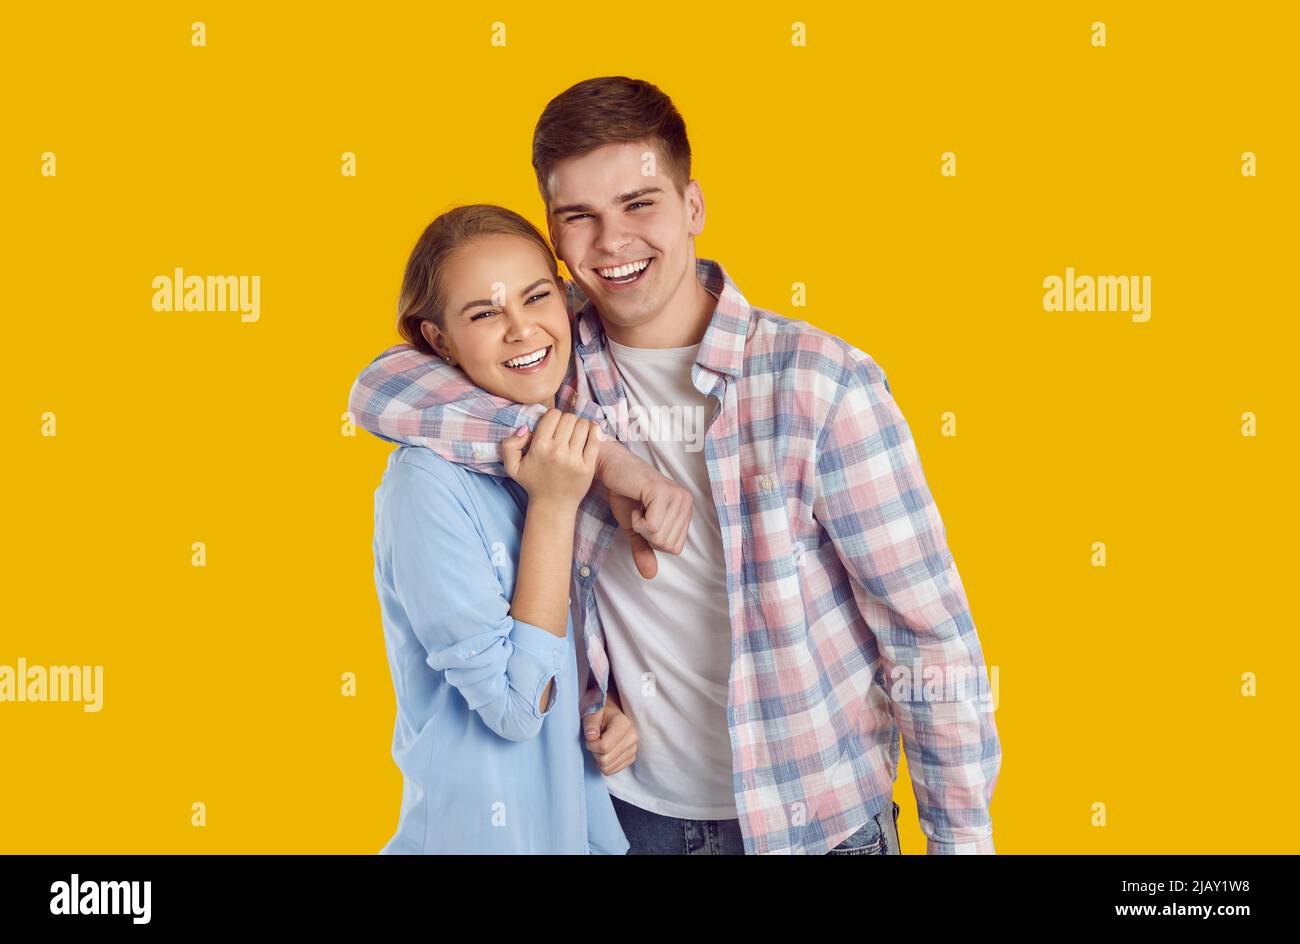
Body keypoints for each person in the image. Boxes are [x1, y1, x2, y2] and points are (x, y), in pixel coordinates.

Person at [351, 77, 1001, 855]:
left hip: (817, 826)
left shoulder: (818, 383)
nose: (612, 242)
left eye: (639, 203)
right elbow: (383, 387)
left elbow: (929, 641)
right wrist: (621, 468)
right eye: (579, 218)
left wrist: (960, 842)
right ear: (556, 241)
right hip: (629, 821)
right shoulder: (556, 359)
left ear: (693, 206)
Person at [364, 203, 690, 854]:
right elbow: (515, 709)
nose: (521, 329)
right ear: (438, 340)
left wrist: (598, 712)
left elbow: (549, 675)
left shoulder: (548, 452)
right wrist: (554, 506)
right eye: (484, 314)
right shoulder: (426, 485)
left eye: (536, 296)